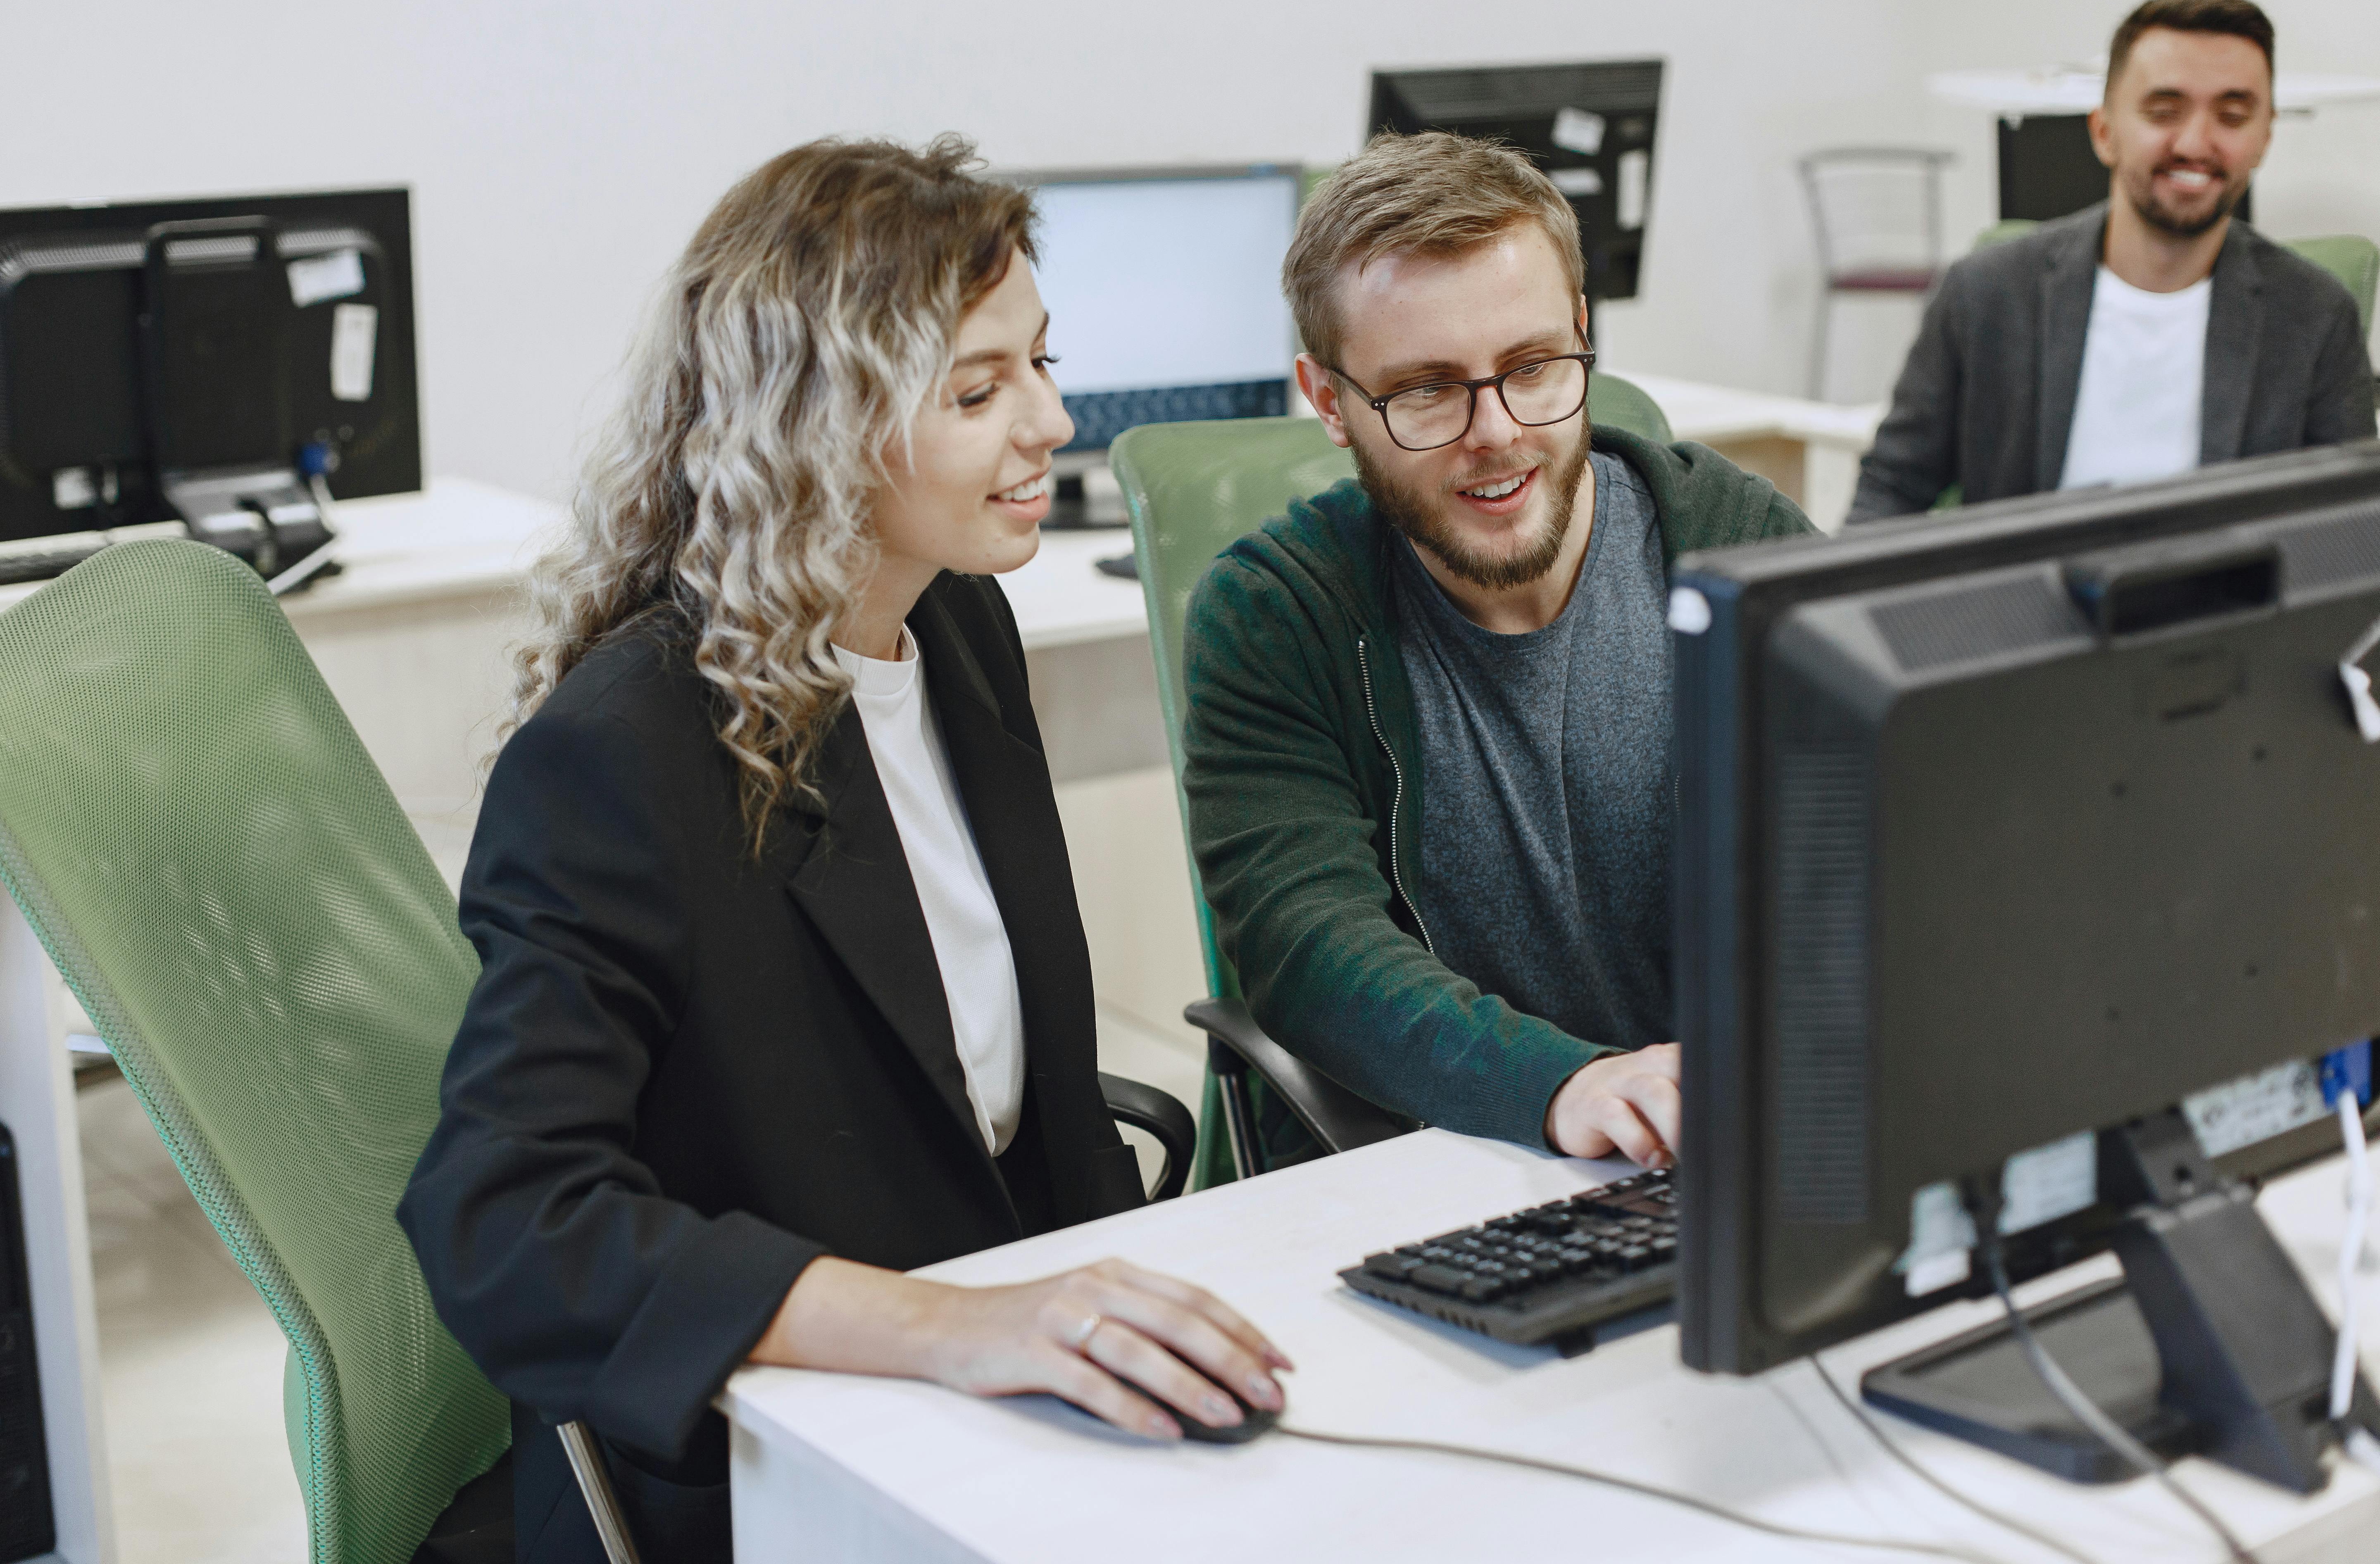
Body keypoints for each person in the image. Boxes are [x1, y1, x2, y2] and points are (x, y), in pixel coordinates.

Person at [397, 138, 1287, 1564]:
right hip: (769, 1472)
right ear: (818, 431)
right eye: (979, 393)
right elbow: (503, 1223)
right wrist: (955, 1328)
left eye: (1042, 364)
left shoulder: (957, 624)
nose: (1054, 422)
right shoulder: (622, 755)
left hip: (999, 1425)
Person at [1180, 132, 1812, 1174]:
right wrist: (1564, 1086)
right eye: (1427, 389)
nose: (1498, 432)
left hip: (1718, 1146)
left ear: (1583, 335)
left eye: (1532, 368)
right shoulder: (1276, 613)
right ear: (1329, 400)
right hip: (1440, 1159)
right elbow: (1308, 946)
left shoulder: (1731, 543)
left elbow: (1884, 843)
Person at [1851, 0, 2375, 523]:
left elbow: (2351, 528)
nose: (2195, 143)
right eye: (2164, 112)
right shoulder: (1986, 294)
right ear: (2104, 132)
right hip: (2026, 579)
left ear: (2265, 137)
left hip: (2231, 580)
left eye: (2233, 116)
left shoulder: (2315, 315)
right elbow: (1891, 488)